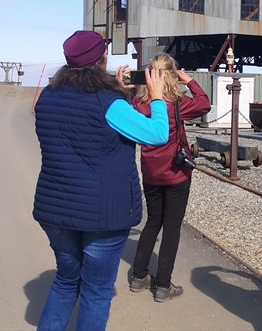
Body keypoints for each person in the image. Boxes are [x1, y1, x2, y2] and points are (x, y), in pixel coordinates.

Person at [32, 30, 169, 329]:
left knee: (66, 281)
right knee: (96, 291)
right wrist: (157, 97)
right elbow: (157, 134)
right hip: (102, 215)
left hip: (55, 209)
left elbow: (83, 123)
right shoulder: (108, 103)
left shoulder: (47, 97)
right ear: (102, 59)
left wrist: (120, 93)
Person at [129, 53, 211, 302]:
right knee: (171, 227)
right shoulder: (178, 103)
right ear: (172, 75)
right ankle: (163, 285)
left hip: (151, 173)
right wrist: (190, 81)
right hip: (176, 174)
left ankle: (139, 276)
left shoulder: (138, 104)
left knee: (153, 222)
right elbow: (204, 104)